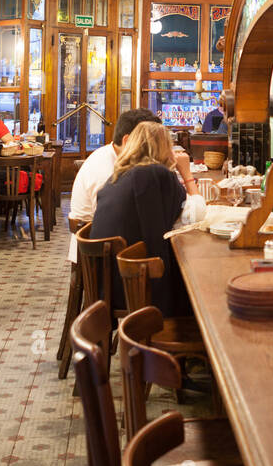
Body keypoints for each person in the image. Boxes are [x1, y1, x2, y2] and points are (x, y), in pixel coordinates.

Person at [91, 121, 199, 317]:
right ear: (164, 148)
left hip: (107, 285)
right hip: (136, 285)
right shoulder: (155, 174)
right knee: (196, 275)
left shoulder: (118, 176)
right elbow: (196, 216)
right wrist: (187, 173)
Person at [67, 107, 161, 264]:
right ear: (127, 141)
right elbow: (111, 221)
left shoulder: (113, 157)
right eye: (149, 143)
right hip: (98, 256)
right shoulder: (106, 171)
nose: (152, 151)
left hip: (105, 244)